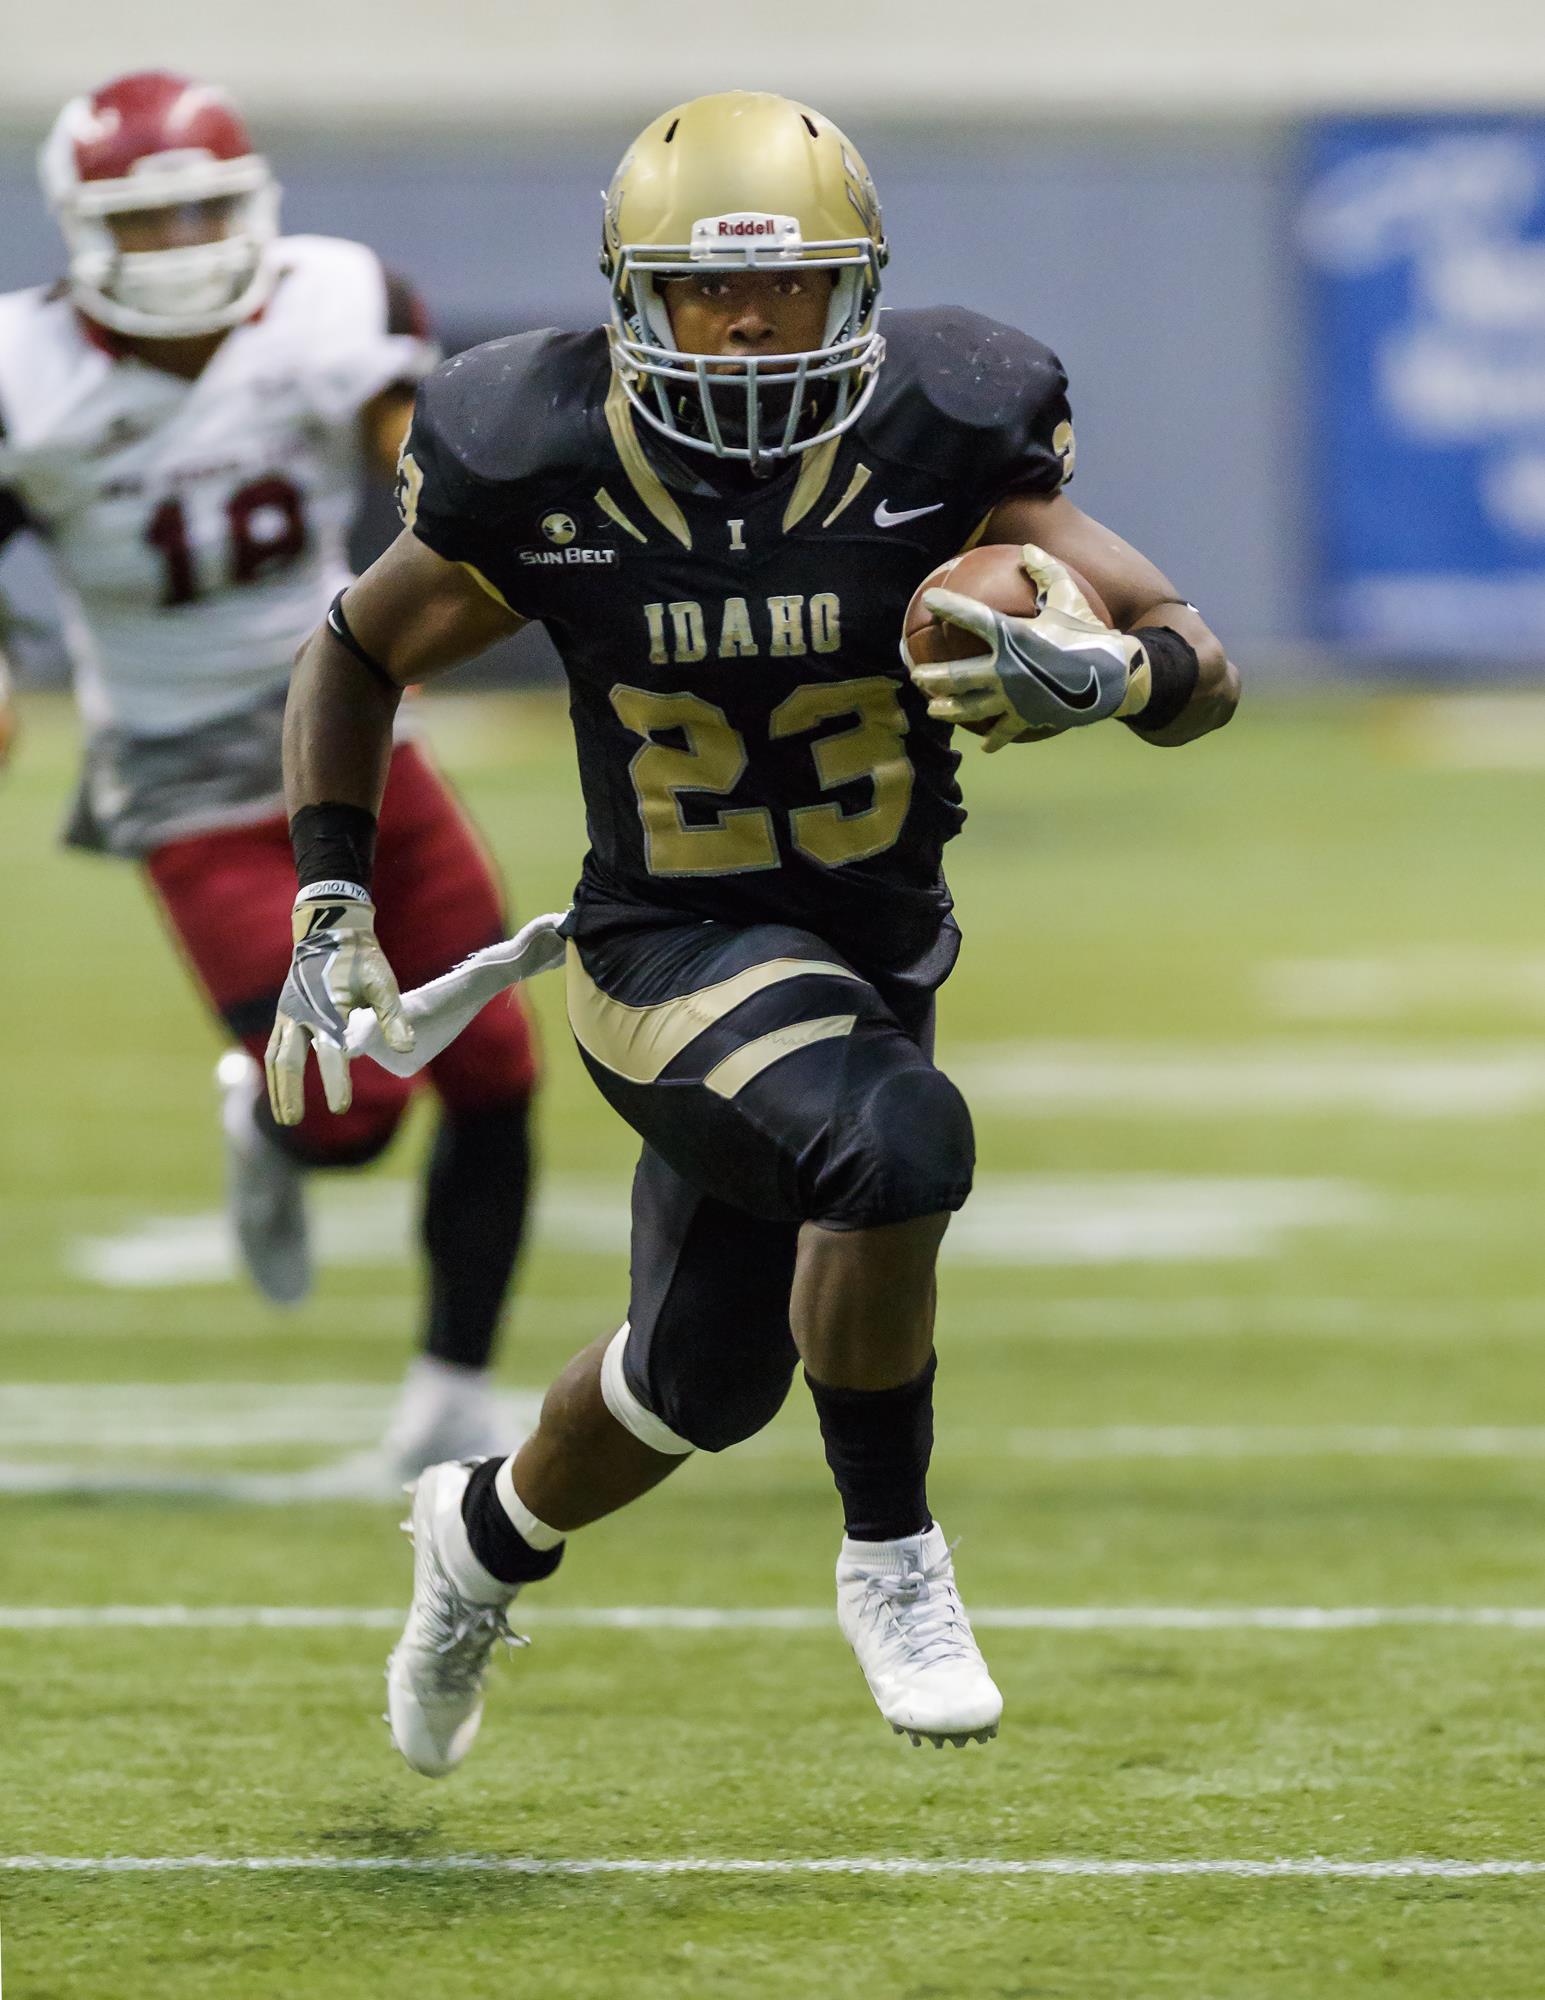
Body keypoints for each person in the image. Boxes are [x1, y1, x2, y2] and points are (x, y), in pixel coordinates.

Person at [266, 90, 1239, 1768]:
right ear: (626, 298)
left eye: (787, 283)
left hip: (867, 956)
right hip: (662, 946)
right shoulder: (540, 450)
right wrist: (331, 892)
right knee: (900, 1145)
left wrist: (1110, 675)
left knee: (698, 1384)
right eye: (706, 286)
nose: (744, 320)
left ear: (856, 288)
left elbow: (1190, 657)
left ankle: (479, 1536)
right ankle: (894, 1560)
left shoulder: (943, 427)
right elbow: (355, 651)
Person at [0, 70, 540, 1479]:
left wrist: (453, 521)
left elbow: (427, 477)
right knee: (351, 1118)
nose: (182, 244)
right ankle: (263, 1115)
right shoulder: (23, 371)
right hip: (185, 777)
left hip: (349, 732)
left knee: (493, 1061)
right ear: (83, 227)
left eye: (204, 210)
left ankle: (452, 1394)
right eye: (148, 217)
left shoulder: (332, 301)